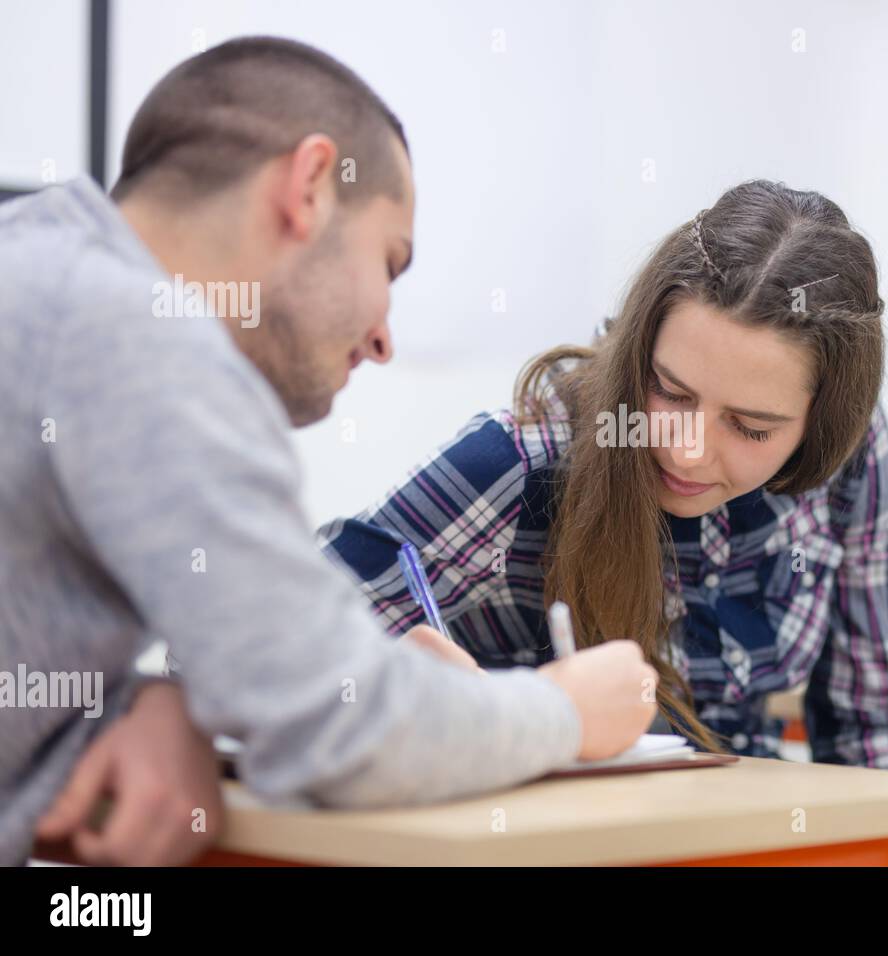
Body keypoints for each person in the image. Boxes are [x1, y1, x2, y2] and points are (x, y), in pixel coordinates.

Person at [0, 36, 655, 867]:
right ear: (309, 186)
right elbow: (338, 728)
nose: (383, 339)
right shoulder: (144, 339)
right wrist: (564, 708)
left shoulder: (38, 267)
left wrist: (146, 699)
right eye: (391, 260)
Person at [321, 180, 888, 768]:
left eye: (750, 427)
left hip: (758, 828)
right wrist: (486, 705)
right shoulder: (521, 459)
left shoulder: (853, 454)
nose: (688, 452)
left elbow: (871, 723)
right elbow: (268, 642)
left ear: (818, 424)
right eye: (669, 391)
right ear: (640, 346)